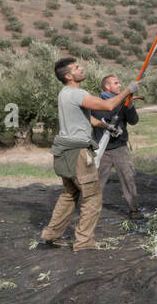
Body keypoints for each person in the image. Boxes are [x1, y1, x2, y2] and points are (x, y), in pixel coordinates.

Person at [40, 57, 138, 251]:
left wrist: (106, 126)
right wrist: (128, 90)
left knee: (70, 194)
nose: (81, 69)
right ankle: (83, 242)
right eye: (77, 68)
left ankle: (51, 235)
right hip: (77, 153)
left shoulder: (64, 94)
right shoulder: (77, 93)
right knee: (92, 196)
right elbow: (108, 106)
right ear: (69, 75)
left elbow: (90, 120)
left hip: (63, 153)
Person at [91, 73, 142, 220]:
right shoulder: (96, 103)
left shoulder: (123, 103)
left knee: (129, 178)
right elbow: (87, 119)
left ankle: (134, 210)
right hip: (101, 150)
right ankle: (91, 212)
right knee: (97, 183)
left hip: (120, 148)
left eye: (119, 83)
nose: (120, 85)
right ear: (107, 86)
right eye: (116, 83)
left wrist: (130, 107)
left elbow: (134, 121)